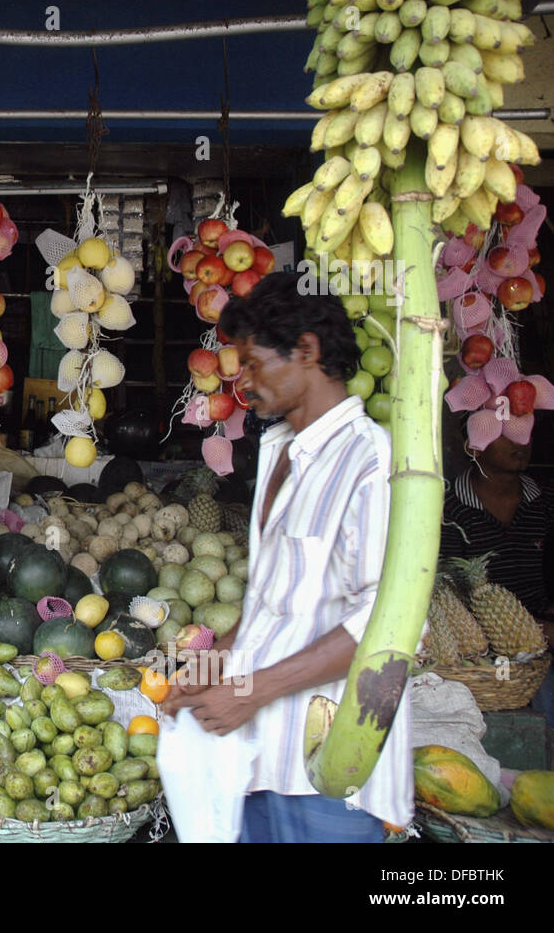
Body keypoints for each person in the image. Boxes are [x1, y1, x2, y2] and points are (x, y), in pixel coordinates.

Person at [165, 272, 412, 843]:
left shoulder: (371, 463)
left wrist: (252, 689)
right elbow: (274, 611)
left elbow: (390, 625)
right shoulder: (279, 451)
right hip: (257, 761)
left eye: (253, 363)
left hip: (328, 776)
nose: (243, 381)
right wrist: (210, 668)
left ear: (307, 351)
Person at [439, 430, 554, 722]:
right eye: (504, 434)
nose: (521, 442)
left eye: (525, 432)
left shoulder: (545, 501)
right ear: (473, 448)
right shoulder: (449, 508)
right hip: (483, 647)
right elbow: (447, 591)